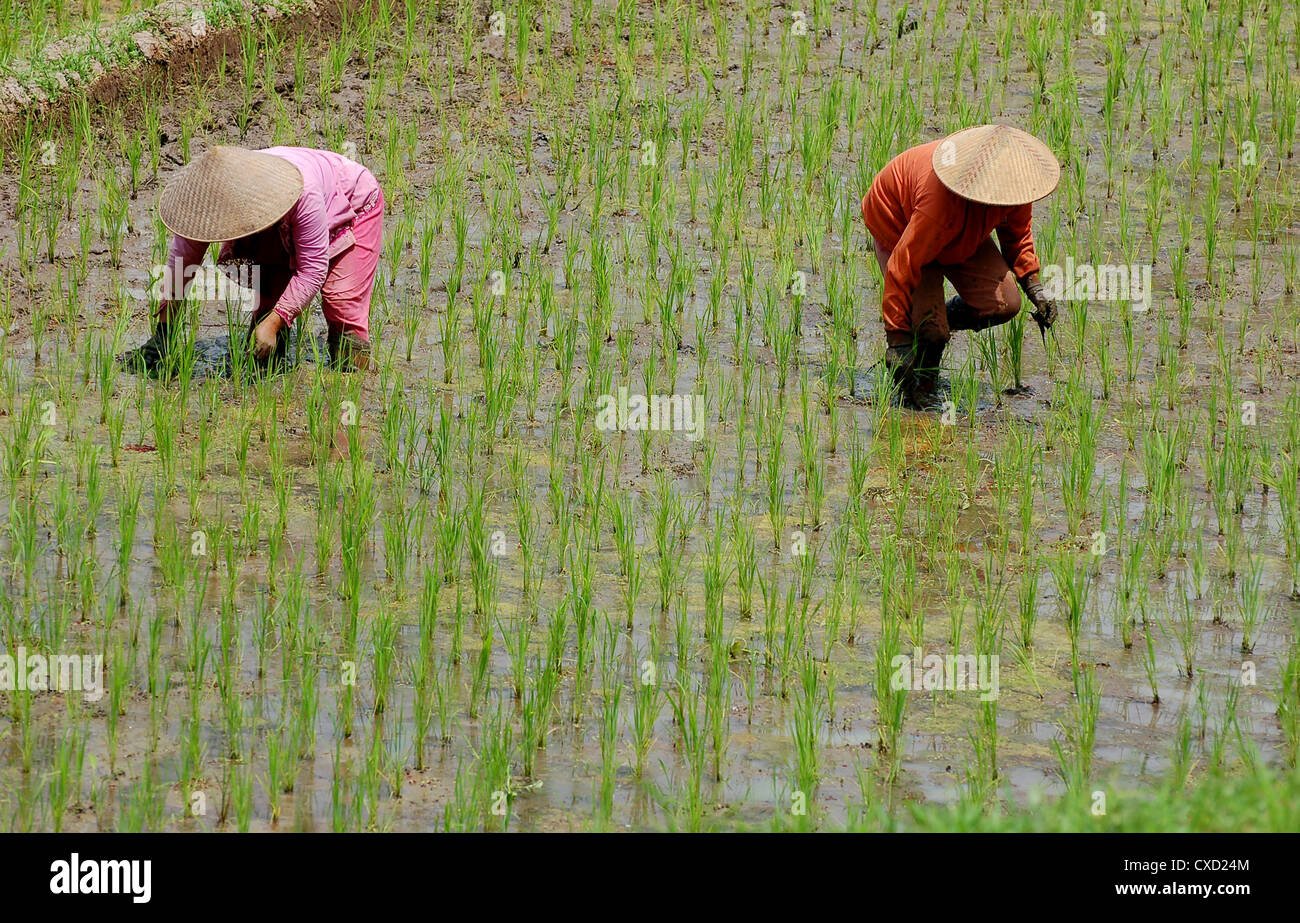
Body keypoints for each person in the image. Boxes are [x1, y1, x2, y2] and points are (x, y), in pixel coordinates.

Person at [121, 145, 384, 374]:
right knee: (267, 284)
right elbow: (183, 264)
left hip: (355, 202)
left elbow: (312, 269)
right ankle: (269, 368)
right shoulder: (205, 204)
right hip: (282, 211)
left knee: (342, 304)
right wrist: (163, 335)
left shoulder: (303, 193)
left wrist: (274, 322)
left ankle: (352, 386)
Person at [861, 124, 1061, 407]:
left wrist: (1035, 287)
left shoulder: (1014, 185)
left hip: (961, 229)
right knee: (931, 332)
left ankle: (934, 322)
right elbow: (902, 265)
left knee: (1006, 302)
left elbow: (1018, 236)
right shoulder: (940, 201)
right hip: (901, 222)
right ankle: (919, 391)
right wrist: (898, 339)